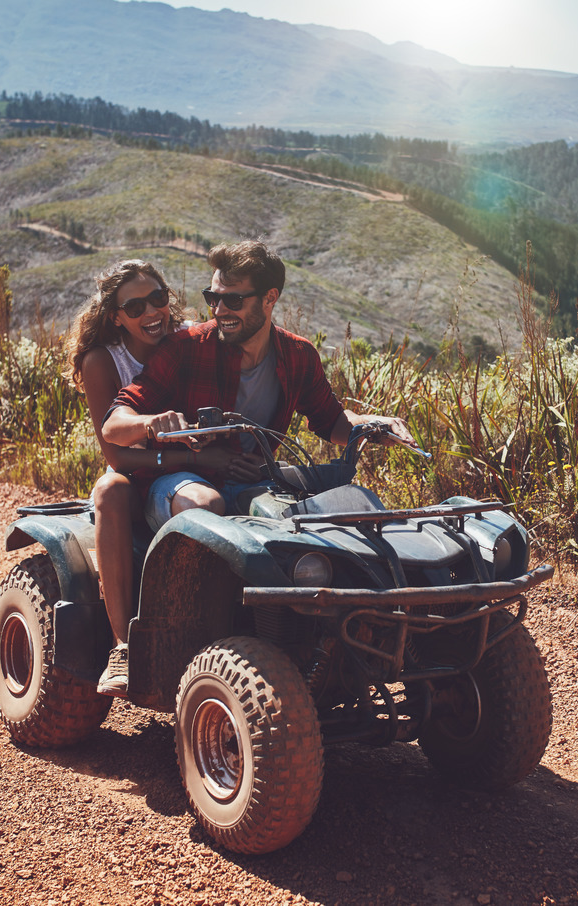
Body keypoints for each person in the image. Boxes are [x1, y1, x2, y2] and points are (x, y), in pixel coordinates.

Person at [96, 240, 411, 695]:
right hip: (182, 480)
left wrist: (375, 426)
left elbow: (332, 421)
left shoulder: (297, 355)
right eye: (213, 298)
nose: (220, 309)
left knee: (341, 517)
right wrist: (151, 423)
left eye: (233, 299)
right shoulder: (187, 347)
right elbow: (114, 424)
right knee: (207, 503)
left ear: (270, 299)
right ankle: (190, 643)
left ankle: (342, 637)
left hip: (259, 482)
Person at [65, 259, 232, 699]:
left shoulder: (188, 340)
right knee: (110, 491)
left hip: (194, 467)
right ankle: (122, 646)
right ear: (115, 316)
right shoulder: (103, 360)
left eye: (157, 299)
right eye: (134, 307)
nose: (150, 313)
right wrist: (171, 449)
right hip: (138, 470)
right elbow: (115, 454)